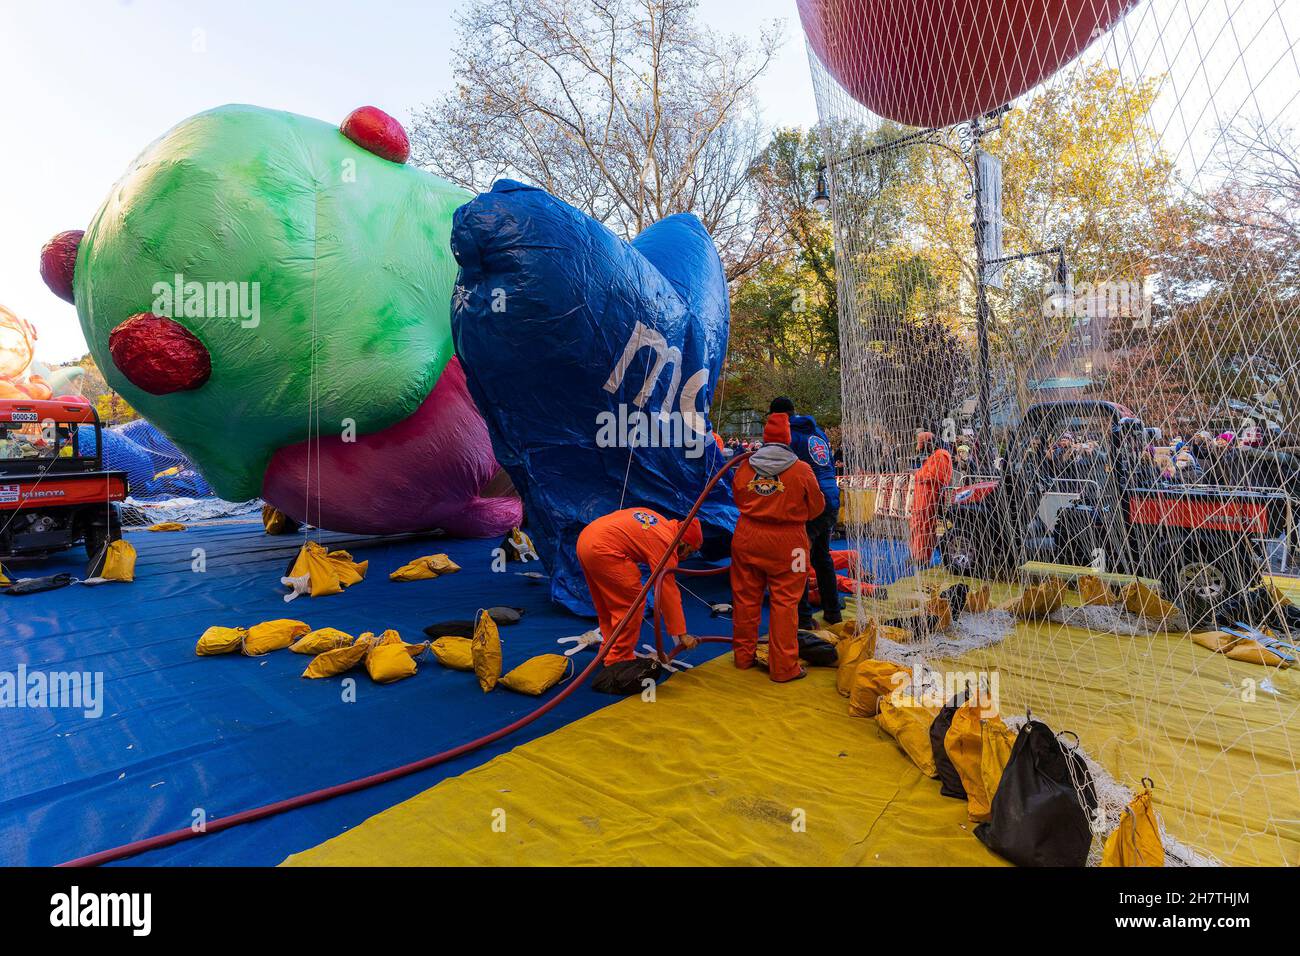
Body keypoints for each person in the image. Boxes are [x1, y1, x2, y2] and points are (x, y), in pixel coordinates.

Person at [730, 413, 826, 682]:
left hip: (747, 537)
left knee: (745, 599)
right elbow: (817, 507)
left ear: (764, 437)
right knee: (785, 604)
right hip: (789, 542)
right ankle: (784, 667)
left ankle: (743, 657)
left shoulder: (745, 466)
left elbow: (737, 496)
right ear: (787, 438)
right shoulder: (802, 470)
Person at [576, 507, 701, 680]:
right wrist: (681, 634)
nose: (688, 556)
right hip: (604, 548)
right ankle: (618, 659)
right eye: (691, 551)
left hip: (586, 538)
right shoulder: (668, 543)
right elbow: (667, 590)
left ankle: (609, 646)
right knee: (631, 603)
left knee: (606, 603)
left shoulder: (660, 521)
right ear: (684, 543)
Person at [769, 396, 843, 628]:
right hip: (831, 497)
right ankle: (832, 611)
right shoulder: (817, 432)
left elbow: (783, 471)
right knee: (822, 557)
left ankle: (802, 619)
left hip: (811, 502)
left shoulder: (789, 436)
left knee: (798, 559)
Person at [909, 430, 952, 565]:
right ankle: (917, 556)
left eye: (923, 446)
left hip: (928, 499)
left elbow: (938, 477)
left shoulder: (941, 455)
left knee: (924, 528)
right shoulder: (936, 455)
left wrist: (918, 475)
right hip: (923, 499)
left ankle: (921, 558)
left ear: (929, 444)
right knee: (918, 527)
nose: (923, 450)